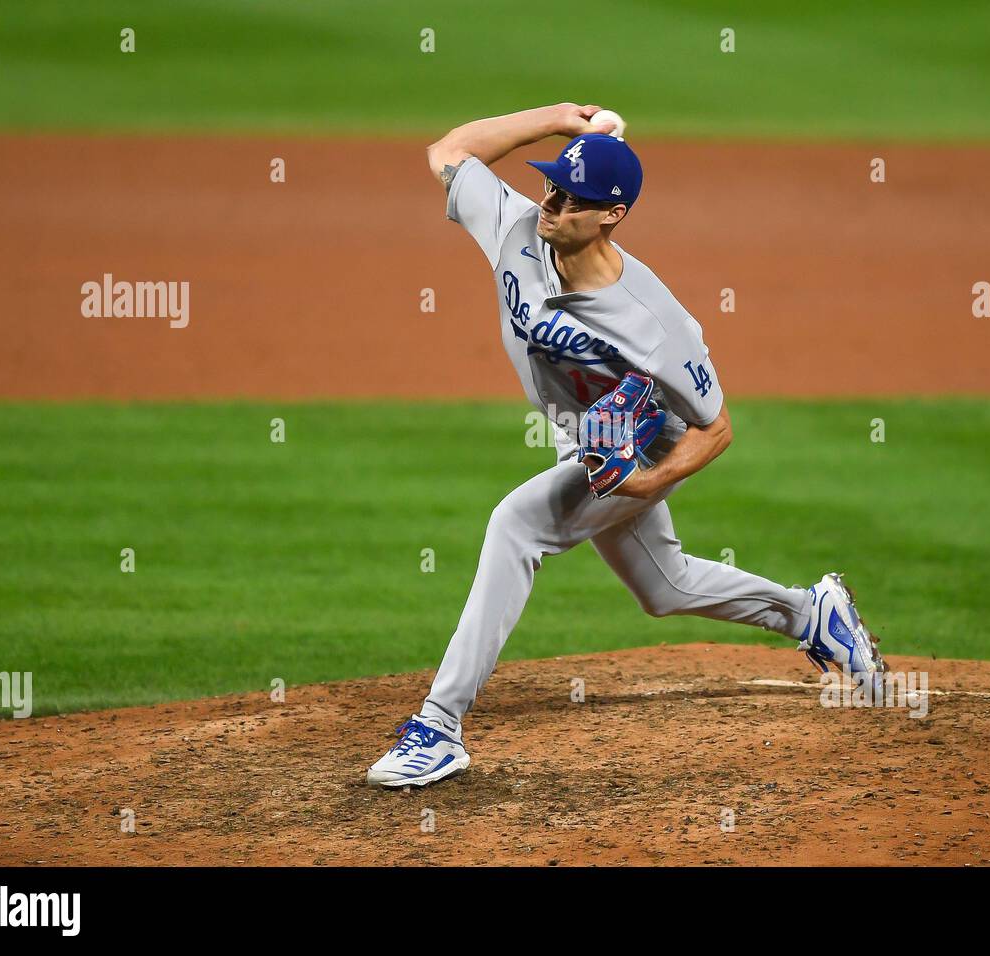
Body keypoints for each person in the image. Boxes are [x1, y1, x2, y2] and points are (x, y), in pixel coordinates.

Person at [366, 103, 884, 788]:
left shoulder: (656, 324)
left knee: (516, 527)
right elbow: (449, 149)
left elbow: (717, 426)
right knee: (662, 587)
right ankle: (810, 612)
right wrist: (553, 118)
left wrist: (645, 482)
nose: (549, 203)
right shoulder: (517, 227)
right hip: (582, 432)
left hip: (639, 448)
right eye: (549, 185)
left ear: (612, 215)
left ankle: (438, 726)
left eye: (571, 199)